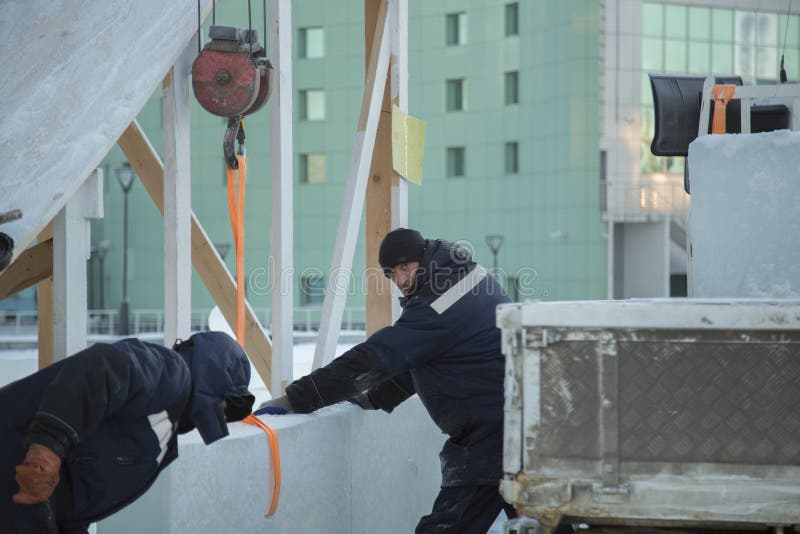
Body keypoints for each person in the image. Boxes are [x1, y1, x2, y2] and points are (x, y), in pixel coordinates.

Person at [259, 228, 573, 533]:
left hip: (495, 439)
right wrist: (375, 397)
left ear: (423, 258)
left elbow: (377, 356)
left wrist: (298, 397)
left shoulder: (441, 304)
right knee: (546, 524)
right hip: (522, 429)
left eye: (405, 268)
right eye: (391, 274)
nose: (401, 281)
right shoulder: (460, 277)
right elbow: (432, 357)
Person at [0, 331, 254, 534]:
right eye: (227, 402)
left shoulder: (165, 440)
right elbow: (102, 364)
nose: (224, 411)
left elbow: (83, 497)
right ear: (216, 380)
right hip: (13, 460)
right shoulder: (170, 372)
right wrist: (47, 447)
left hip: (26, 506)